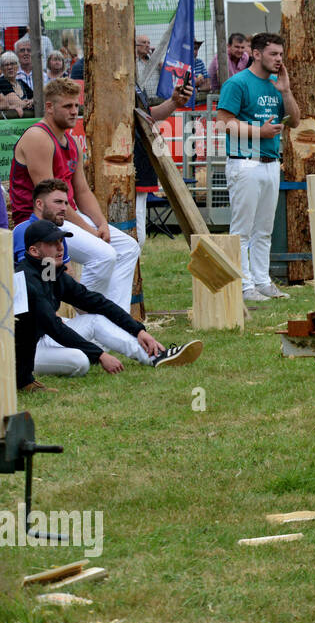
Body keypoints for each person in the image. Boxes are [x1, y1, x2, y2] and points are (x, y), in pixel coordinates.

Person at [14, 218, 202, 392]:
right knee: (81, 362)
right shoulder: (25, 279)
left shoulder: (51, 272)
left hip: (44, 338)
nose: (60, 247)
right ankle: (24, 380)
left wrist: (138, 330)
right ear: (34, 251)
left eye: (60, 241)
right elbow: (55, 328)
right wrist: (99, 355)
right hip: (25, 353)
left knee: (95, 319)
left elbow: (98, 303)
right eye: (52, 243)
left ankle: (157, 356)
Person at [9, 78, 140, 311]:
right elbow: (52, 203)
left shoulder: (71, 142)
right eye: (67, 106)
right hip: (36, 223)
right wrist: (90, 231)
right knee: (104, 255)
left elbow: (81, 191)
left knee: (129, 247)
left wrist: (102, 224)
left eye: (76, 106)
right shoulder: (38, 137)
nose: (74, 111)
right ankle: (89, 315)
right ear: (49, 107)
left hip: (64, 218)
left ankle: (116, 319)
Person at [215, 32, 301, 301]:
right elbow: (223, 121)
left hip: (270, 162)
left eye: (280, 54)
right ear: (256, 54)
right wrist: (258, 132)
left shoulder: (276, 84)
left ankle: (262, 280)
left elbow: (295, 121)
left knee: (264, 229)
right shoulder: (237, 83)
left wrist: (286, 91)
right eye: (273, 54)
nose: (279, 59)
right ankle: (244, 284)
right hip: (245, 161)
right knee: (243, 229)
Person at [133, 72, 193, 248]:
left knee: (137, 238)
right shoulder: (112, 80)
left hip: (139, 167)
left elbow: (146, 116)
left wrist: (173, 102)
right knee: (132, 239)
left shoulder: (134, 81)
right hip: (123, 168)